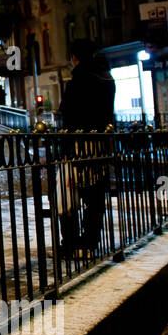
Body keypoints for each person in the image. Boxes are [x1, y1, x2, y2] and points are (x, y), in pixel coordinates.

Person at [57, 38, 116, 257]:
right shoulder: (107, 79)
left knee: (66, 196)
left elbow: (69, 118)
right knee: (95, 198)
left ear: (75, 57)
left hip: (78, 147)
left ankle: (71, 245)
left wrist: (64, 149)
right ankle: (89, 244)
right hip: (99, 145)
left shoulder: (78, 81)